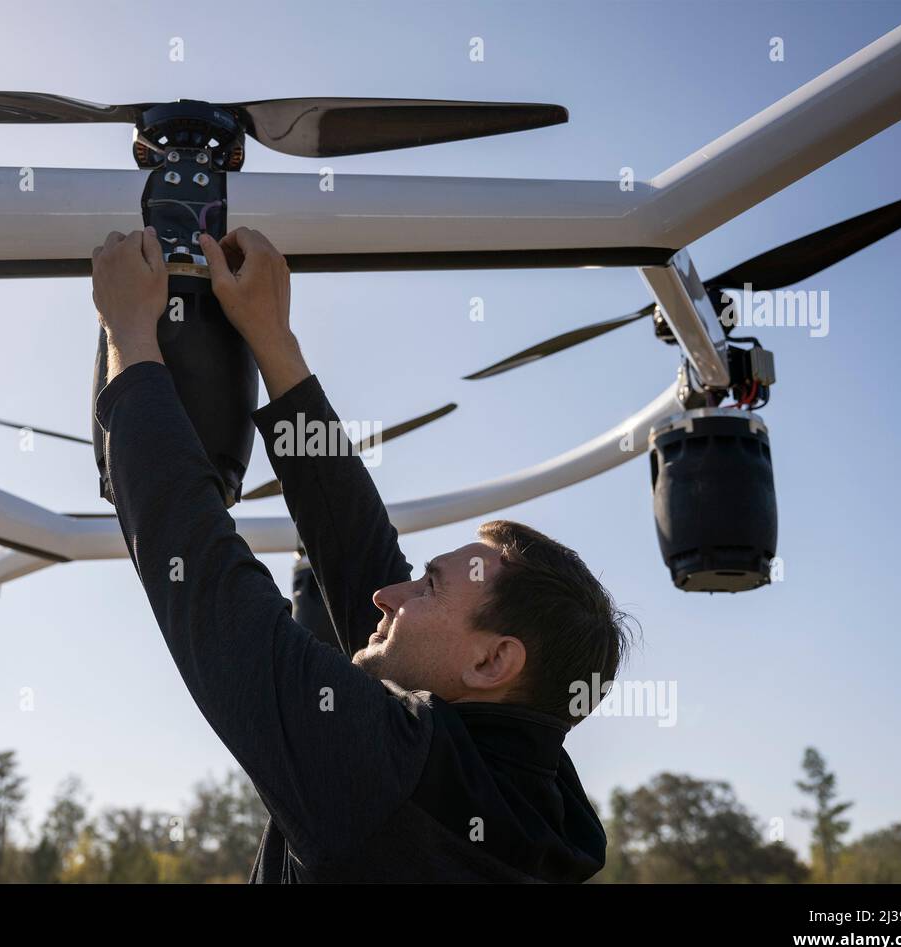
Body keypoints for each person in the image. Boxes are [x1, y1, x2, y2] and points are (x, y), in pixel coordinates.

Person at [91, 225, 633, 883]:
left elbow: (205, 585)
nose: (388, 594)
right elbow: (359, 552)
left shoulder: (387, 776)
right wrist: (272, 340)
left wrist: (130, 340)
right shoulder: (539, 798)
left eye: (427, 589)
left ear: (494, 661)